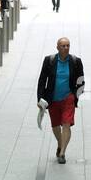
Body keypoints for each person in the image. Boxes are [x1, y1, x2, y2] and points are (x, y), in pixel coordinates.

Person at [37, 36, 85, 164]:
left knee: (66, 124)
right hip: (52, 98)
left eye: (68, 45)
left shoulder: (75, 61)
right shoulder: (50, 61)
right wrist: (40, 99)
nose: (66, 48)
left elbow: (81, 80)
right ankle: (60, 142)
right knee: (55, 125)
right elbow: (42, 80)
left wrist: (76, 95)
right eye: (63, 46)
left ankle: (62, 152)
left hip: (68, 98)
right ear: (57, 47)